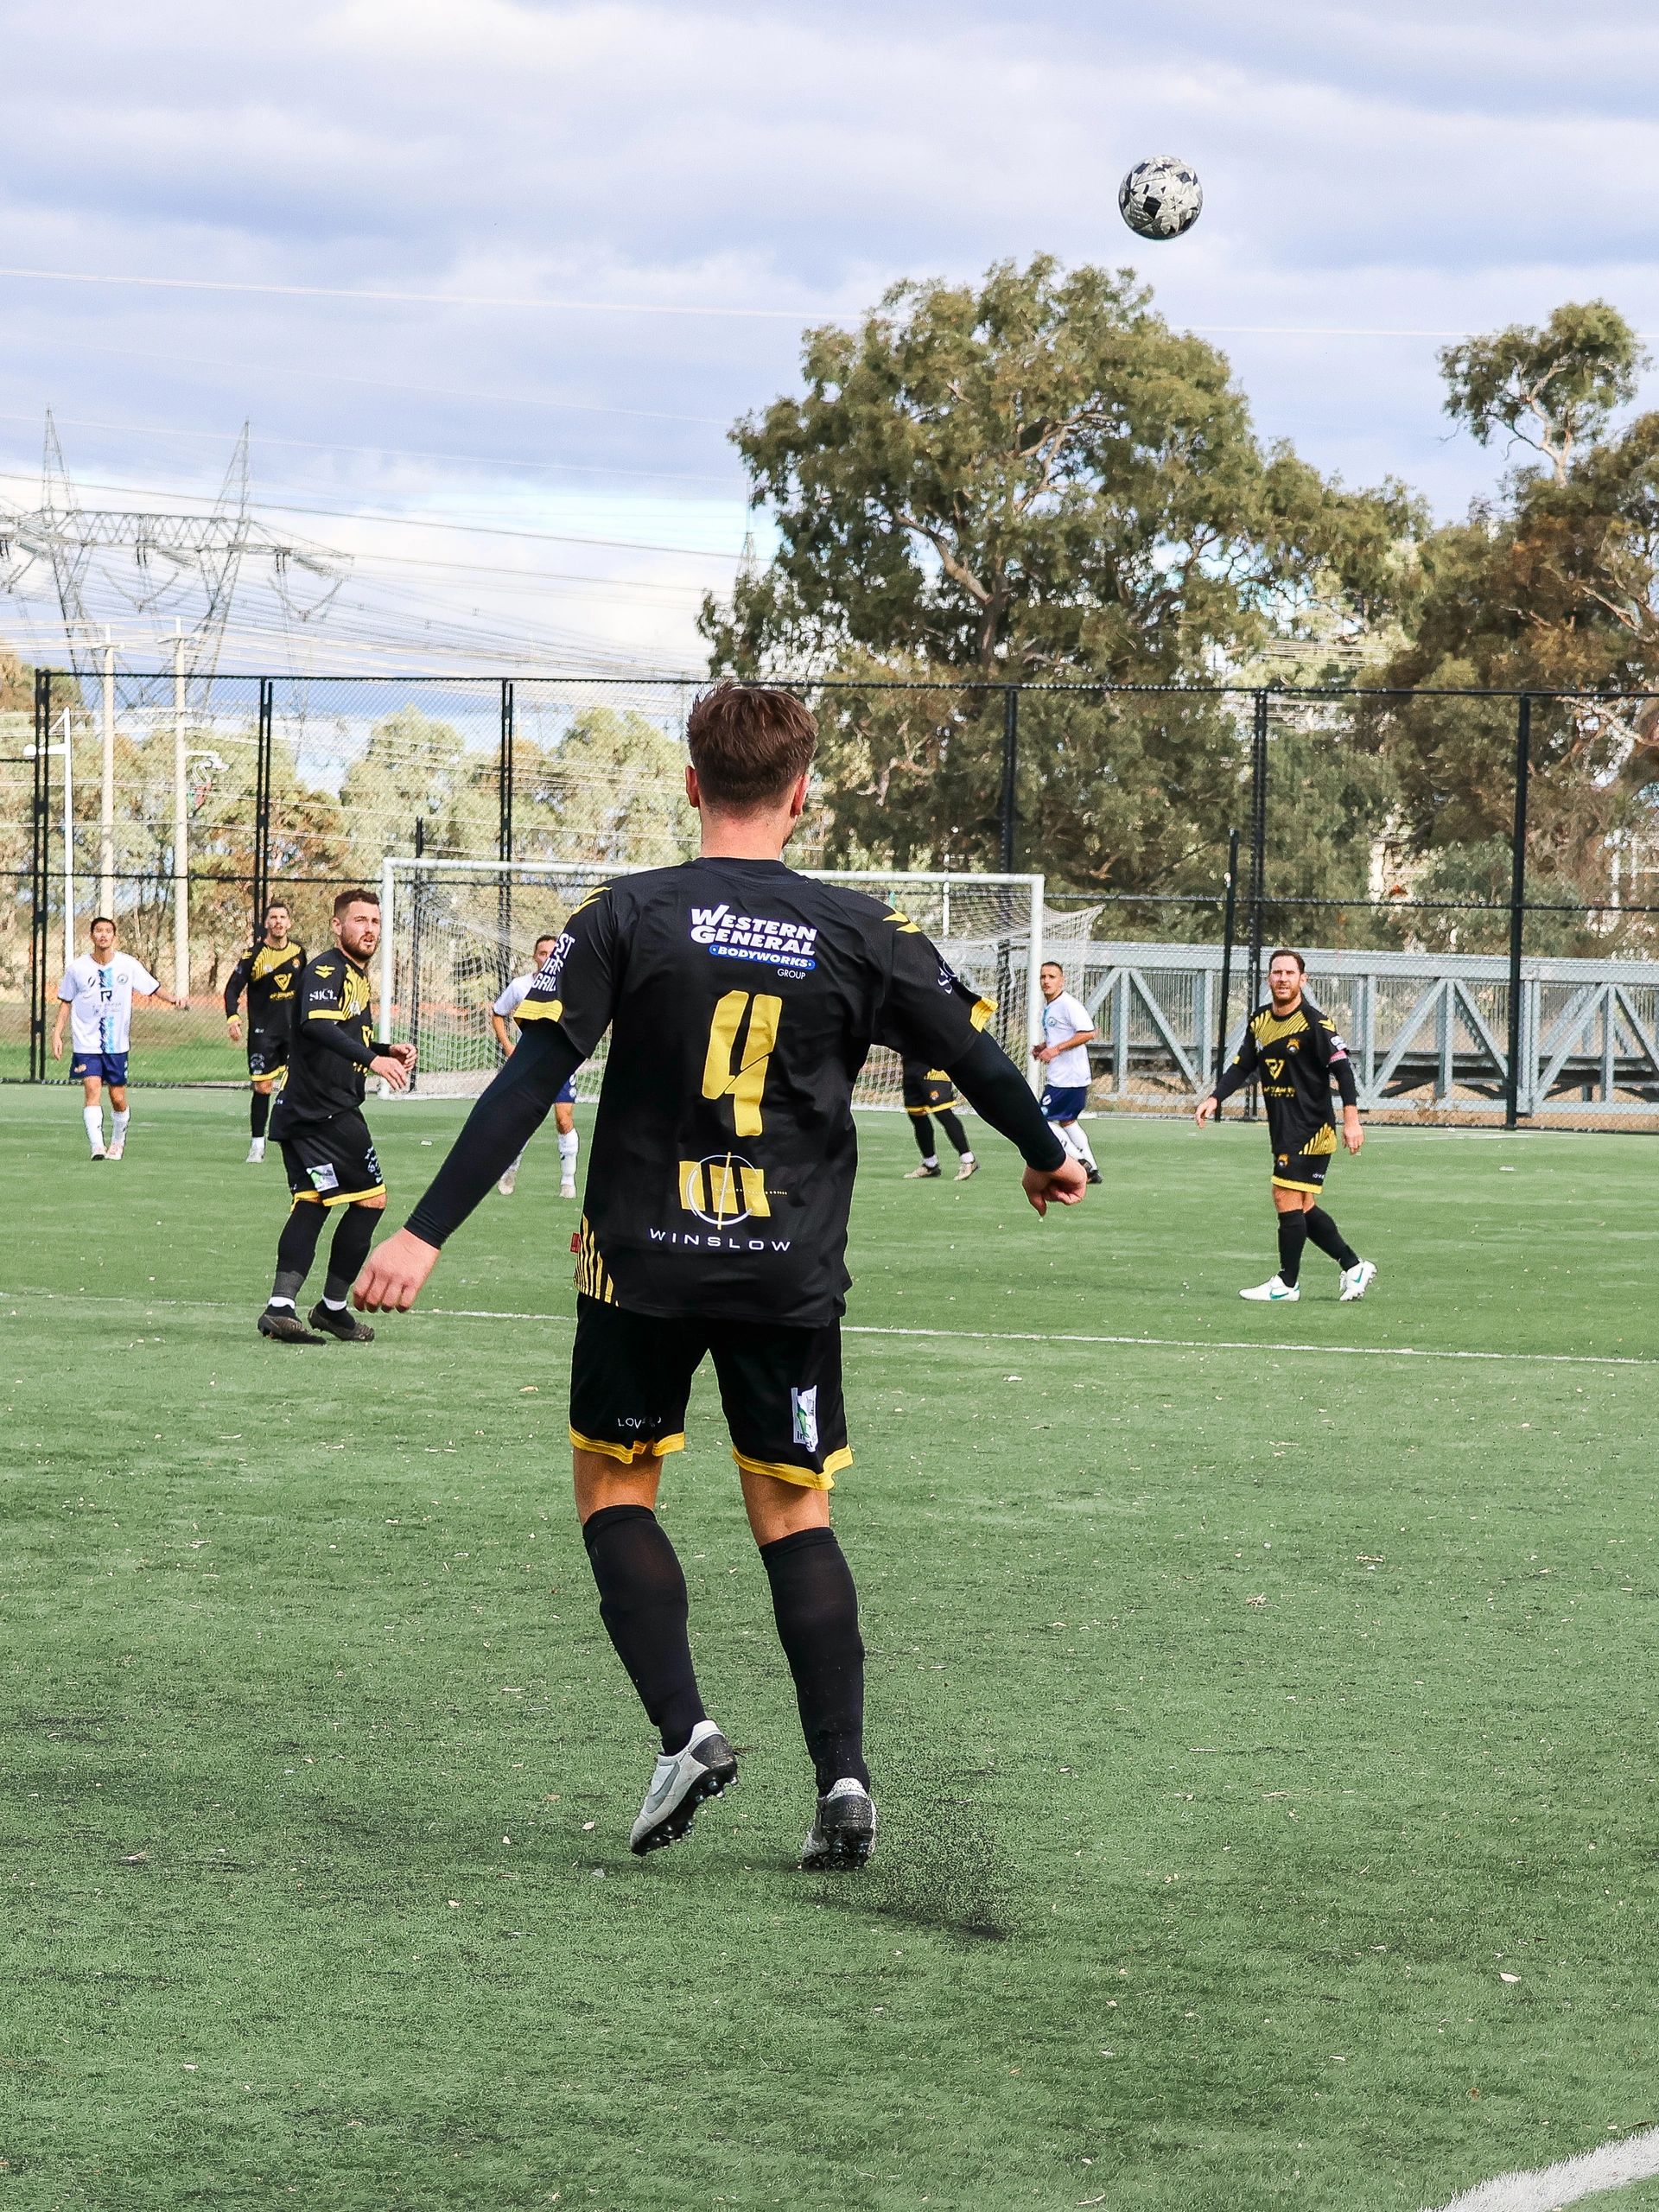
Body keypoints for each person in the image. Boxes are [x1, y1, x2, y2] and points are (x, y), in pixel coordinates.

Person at [354, 684, 1085, 1869]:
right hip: (783, 1268)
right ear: (803, 796)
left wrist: (423, 1233)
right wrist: (1049, 1155)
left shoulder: (625, 915)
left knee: (613, 1491)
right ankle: (844, 1781)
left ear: (691, 785)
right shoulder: (864, 929)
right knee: (795, 1512)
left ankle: (687, 1728)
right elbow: (979, 1058)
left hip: (638, 1261)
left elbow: (528, 1080)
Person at [257, 888, 416, 1344]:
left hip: (303, 1113)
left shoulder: (355, 975)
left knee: (313, 1201)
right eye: (360, 920)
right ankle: (331, 1308)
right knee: (372, 1200)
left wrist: (385, 1049)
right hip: (325, 1112)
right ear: (337, 925)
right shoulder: (328, 968)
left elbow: (340, 1031)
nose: (369, 929)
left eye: (375, 922)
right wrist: (373, 1062)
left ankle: (281, 1307)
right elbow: (315, 1023)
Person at [1195, 947, 1377, 1305]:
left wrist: (1351, 1121)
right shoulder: (1259, 1021)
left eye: (1289, 973)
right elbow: (1241, 1065)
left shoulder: (1316, 1023)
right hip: (1282, 1128)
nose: (1282, 979)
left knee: (1283, 1195)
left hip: (1312, 1130)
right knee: (1302, 1206)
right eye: (1276, 973)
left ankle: (1287, 1283)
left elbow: (1343, 1071)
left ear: (1302, 979)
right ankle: (1353, 1267)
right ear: (1269, 979)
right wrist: (1215, 1098)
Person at [52, 916, 187, 1160]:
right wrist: (57, 1034)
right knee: (92, 1088)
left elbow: (153, 988)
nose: (103, 935)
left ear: (114, 936)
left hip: (116, 1043)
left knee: (117, 1097)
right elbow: (65, 1003)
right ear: (91, 936)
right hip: (87, 1041)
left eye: (108, 931)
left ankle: (117, 1140)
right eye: (99, 931)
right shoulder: (77, 969)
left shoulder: (128, 965)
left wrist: (174, 999)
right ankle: (97, 1146)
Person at [491, 933, 581, 1198]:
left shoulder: (570, 986)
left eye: (553, 953)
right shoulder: (520, 986)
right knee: (523, 1120)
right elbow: (497, 1013)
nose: (548, 957)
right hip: (529, 1065)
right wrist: (509, 1047)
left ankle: (568, 1181)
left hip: (562, 1062)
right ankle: (511, 1168)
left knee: (564, 1120)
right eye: (543, 953)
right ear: (535, 956)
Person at [224, 899, 305, 1164]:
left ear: (289, 923)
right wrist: (233, 1017)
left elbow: (308, 990)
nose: (278, 922)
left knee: (297, 1086)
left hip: (294, 1033)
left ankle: (296, 1140)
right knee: (263, 1087)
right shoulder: (254, 955)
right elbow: (232, 989)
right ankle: (257, 1145)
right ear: (267, 923)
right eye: (274, 917)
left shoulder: (299, 954)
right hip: (263, 1033)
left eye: (283, 917)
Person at [1031, 960, 1102, 1185]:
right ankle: (1093, 1170)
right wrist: (1045, 1046)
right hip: (1067, 1077)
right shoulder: (1051, 1006)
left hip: (1068, 1078)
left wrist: (1055, 1050)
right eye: (1043, 977)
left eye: (1052, 977)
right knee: (1068, 1121)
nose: (1046, 981)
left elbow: (1088, 1033)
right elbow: (1061, 1035)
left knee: (1043, 1122)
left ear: (1062, 980)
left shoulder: (1068, 1004)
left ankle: (1081, 1163)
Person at [899, 1056, 976, 1179]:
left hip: (933, 1066)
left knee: (943, 1113)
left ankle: (968, 1161)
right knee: (916, 1115)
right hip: (911, 1067)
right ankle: (930, 1165)